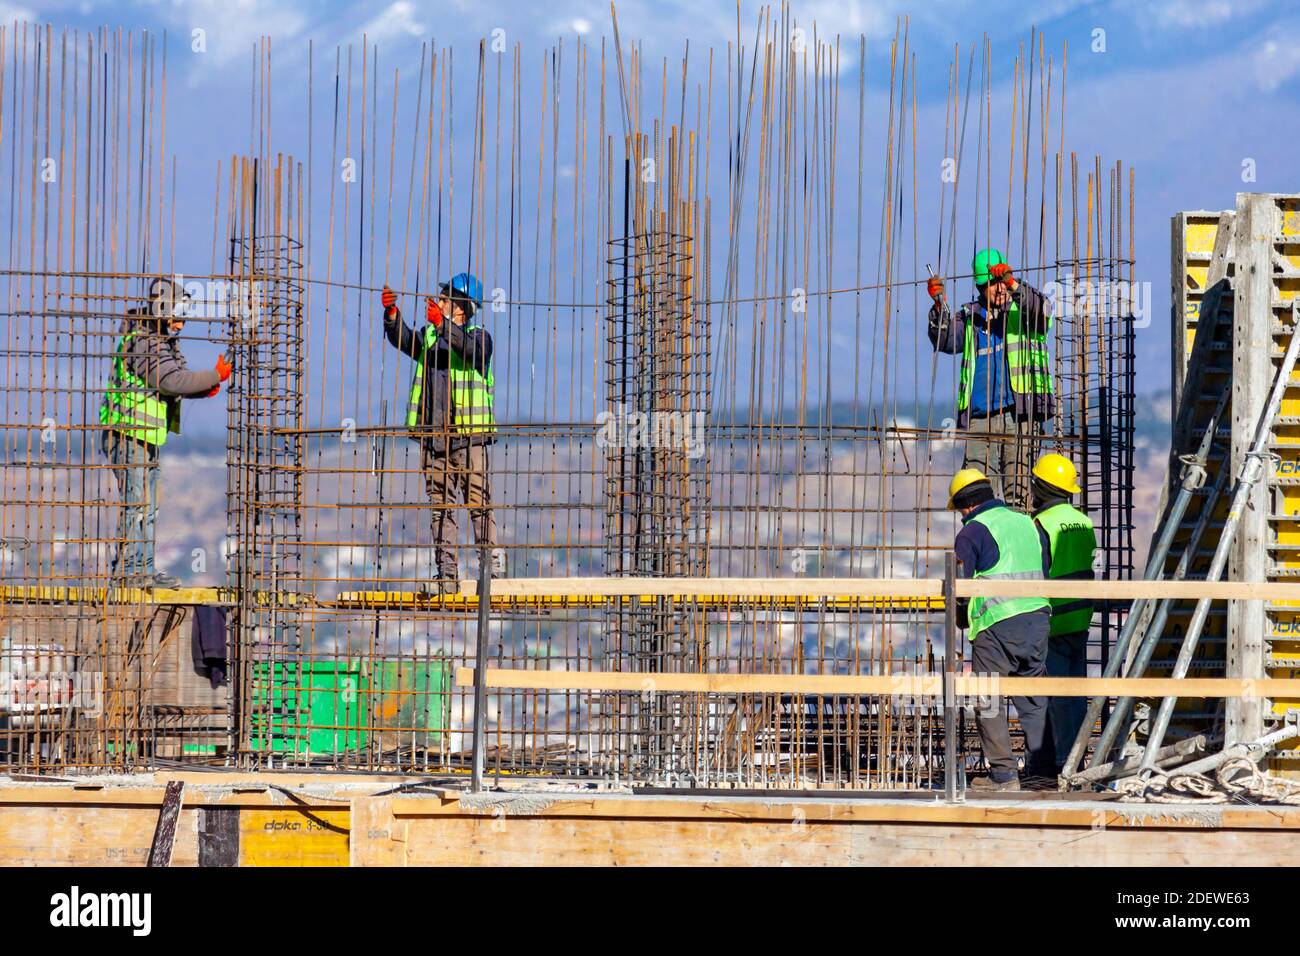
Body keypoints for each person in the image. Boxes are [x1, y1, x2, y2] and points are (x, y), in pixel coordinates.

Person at [100, 277, 231, 588]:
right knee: (138, 502)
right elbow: (169, 380)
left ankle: (140, 569)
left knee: (148, 505)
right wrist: (213, 375)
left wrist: (206, 385)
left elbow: (180, 378)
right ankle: (132, 573)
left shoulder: (161, 339)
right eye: (178, 317)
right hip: (127, 432)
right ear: (162, 310)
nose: (181, 325)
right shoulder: (142, 339)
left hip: (145, 435)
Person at [381, 273, 504, 594]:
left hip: (471, 439)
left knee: (479, 506)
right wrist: (393, 317)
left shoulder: (481, 338)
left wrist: (443, 325)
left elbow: (470, 352)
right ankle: (447, 576)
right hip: (435, 439)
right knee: (441, 508)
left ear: (462, 307)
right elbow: (405, 341)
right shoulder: (430, 338)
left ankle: (491, 575)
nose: (439, 303)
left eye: (446, 300)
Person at [948, 467, 1053, 791]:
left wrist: (963, 617)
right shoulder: (1028, 523)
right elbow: (1044, 568)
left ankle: (1004, 775)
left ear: (965, 507)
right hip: (1037, 619)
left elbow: (961, 586)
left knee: (988, 697)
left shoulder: (972, 532)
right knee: (1033, 699)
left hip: (997, 623)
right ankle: (1044, 775)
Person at [928, 249, 1054, 500]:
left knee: (1019, 494)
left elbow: (1044, 311)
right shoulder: (970, 317)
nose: (998, 289)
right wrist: (939, 306)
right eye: (991, 284)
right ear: (980, 287)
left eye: (1001, 283)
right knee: (979, 494)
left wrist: (1012, 283)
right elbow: (944, 340)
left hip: (1020, 414)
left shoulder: (1023, 309)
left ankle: (1018, 538)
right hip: (980, 417)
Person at [1030, 452, 1097, 773]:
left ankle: (1062, 765)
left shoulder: (1043, 524)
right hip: (1080, 616)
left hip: (1053, 620)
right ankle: (1077, 760)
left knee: (1054, 696)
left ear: (1042, 487)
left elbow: (1038, 574)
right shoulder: (1083, 521)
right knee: (1075, 694)